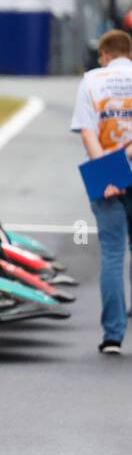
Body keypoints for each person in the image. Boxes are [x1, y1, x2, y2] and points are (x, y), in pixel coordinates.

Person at [71, 29, 132, 355]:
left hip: (103, 174)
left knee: (111, 253)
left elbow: (87, 131)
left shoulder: (92, 81)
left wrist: (108, 171)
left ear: (106, 55)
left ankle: (113, 335)